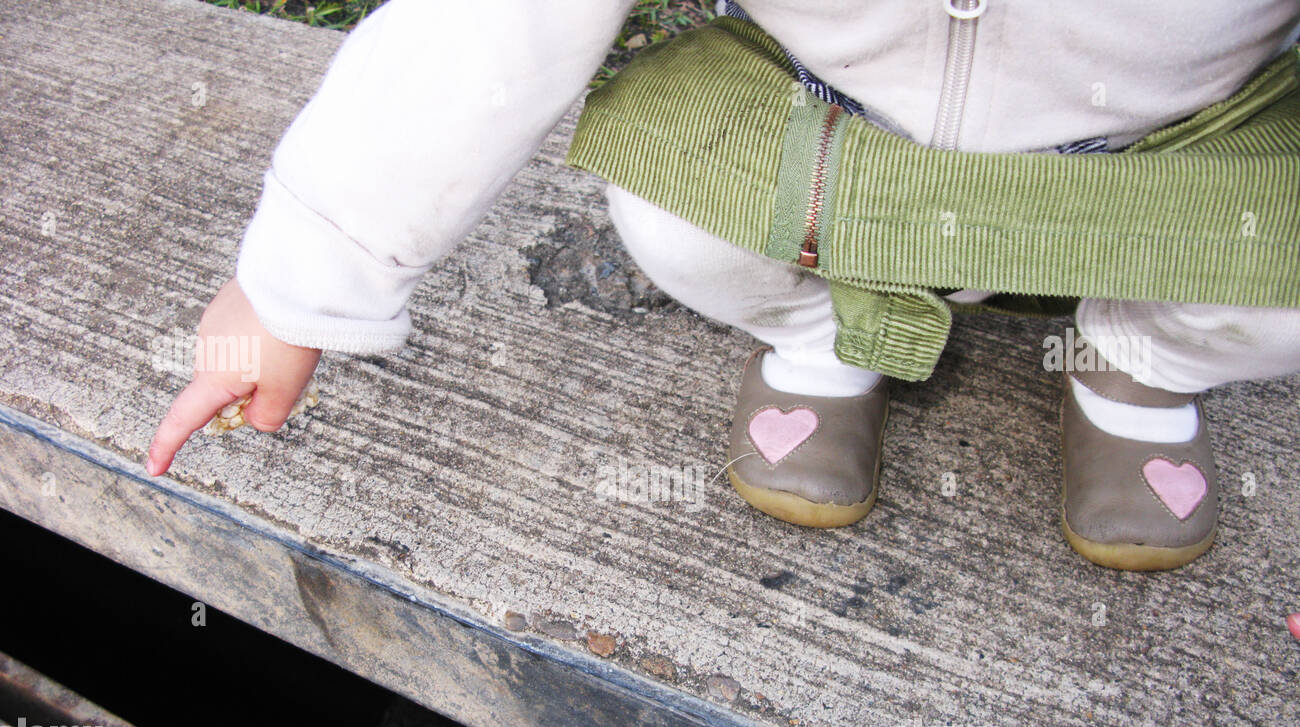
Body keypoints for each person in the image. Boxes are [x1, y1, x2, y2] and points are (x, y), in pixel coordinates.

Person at [145, 0, 1300, 571]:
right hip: (827, 134)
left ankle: (1145, 360)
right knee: (675, 205)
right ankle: (818, 337)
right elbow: (498, 19)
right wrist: (307, 268)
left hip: (1175, 159)